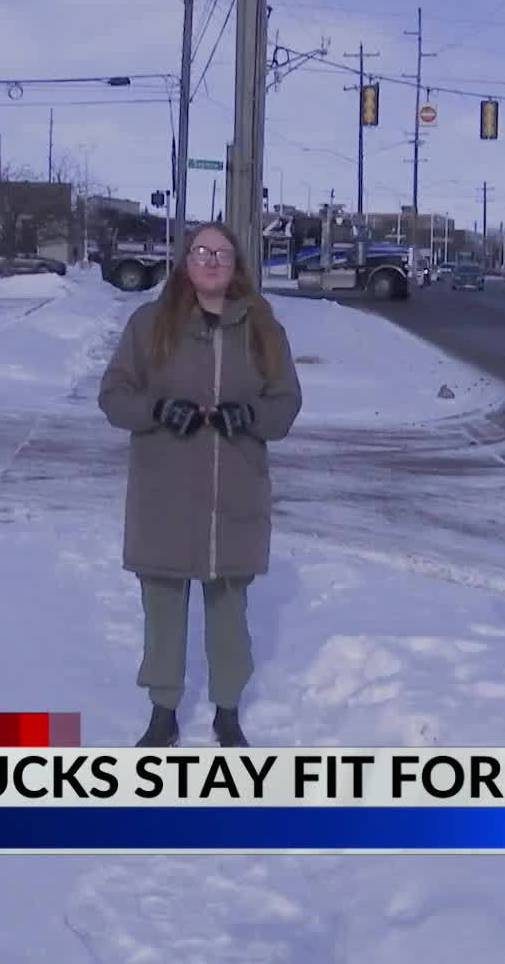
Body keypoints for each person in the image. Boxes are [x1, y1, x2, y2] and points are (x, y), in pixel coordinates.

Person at [98, 223, 303, 747]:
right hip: (163, 496)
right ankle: (162, 712)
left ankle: (227, 713)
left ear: (237, 266)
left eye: (223, 254)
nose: (211, 261)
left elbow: (285, 407)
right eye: (202, 251)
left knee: (229, 611)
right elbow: (114, 398)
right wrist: (158, 410)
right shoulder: (149, 325)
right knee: (163, 609)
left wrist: (248, 414)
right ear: (185, 260)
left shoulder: (264, 330)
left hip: (234, 497)